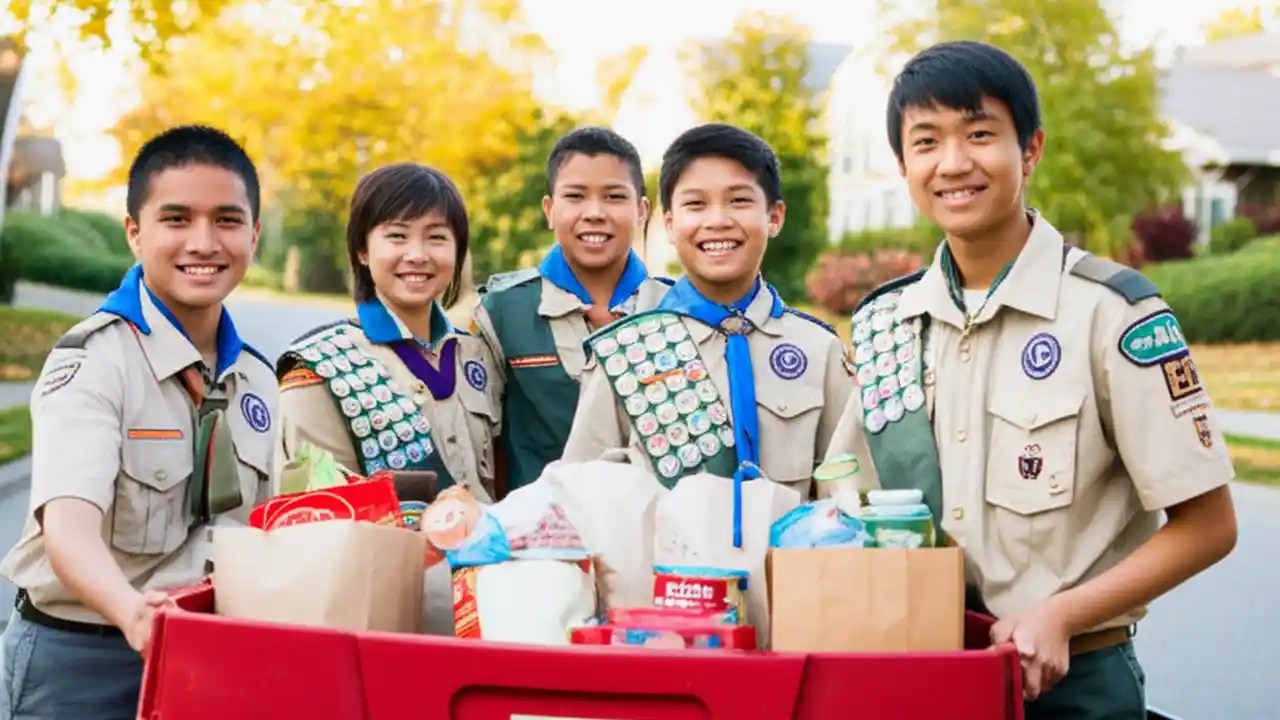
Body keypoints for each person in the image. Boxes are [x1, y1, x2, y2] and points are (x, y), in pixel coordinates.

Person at [825, 41, 1237, 718]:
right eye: (926, 142)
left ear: (1030, 149)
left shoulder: (1112, 312)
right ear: (903, 166)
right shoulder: (885, 325)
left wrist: (1064, 614)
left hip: (1074, 685)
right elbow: (846, 502)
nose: (953, 163)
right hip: (918, 676)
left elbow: (1210, 524)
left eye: (980, 134)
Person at [0, 125, 276, 719]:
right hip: (82, 661)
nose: (204, 242)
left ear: (254, 234)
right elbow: (68, 528)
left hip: (210, 653)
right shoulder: (95, 362)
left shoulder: (258, 378)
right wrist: (132, 614)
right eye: (176, 219)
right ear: (135, 232)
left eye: (227, 220)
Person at [562, 123, 853, 507]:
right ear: (668, 223)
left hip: (790, 564)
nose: (717, 220)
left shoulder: (819, 350)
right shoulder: (628, 352)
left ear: (775, 217)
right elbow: (580, 495)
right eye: (696, 204)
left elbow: (848, 495)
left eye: (739, 201)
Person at [274, 163, 500, 502]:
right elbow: (319, 507)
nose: (418, 255)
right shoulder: (320, 364)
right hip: (380, 554)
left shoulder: (478, 355)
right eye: (397, 236)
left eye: (437, 237)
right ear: (362, 250)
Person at [471, 126, 670, 494]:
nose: (594, 213)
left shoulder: (674, 311)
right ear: (549, 210)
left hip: (652, 534)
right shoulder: (501, 312)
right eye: (575, 196)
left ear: (642, 211)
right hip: (538, 538)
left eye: (614, 197)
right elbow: (478, 446)